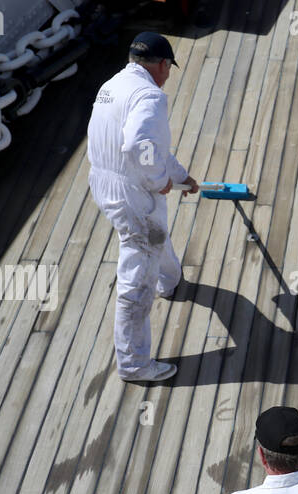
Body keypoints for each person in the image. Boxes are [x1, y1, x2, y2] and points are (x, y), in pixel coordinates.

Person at [87, 32, 199, 383]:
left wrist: (181, 176)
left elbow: (153, 149)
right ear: (163, 64)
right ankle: (133, 362)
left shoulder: (112, 86)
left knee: (154, 234)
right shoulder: (150, 96)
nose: (167, 76)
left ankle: (170, 280)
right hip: (133, 192)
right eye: (169, 69)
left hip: (105, 181)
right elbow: (141, 145)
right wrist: (158, 180)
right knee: (136, 276)